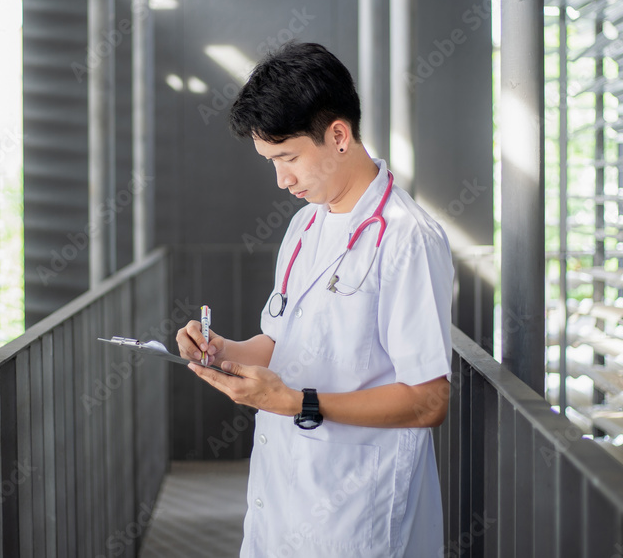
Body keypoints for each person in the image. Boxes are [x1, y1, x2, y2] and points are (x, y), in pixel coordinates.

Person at [176, 42, 454, 558]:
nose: (281, 180)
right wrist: (222, 350)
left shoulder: (407, 238)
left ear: (339, 136)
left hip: (357, 513)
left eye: (288, 158)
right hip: (282, 500)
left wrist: (295, 402)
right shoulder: (306, 225)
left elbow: (430, 399)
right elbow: (280, 341)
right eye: (270, 162)